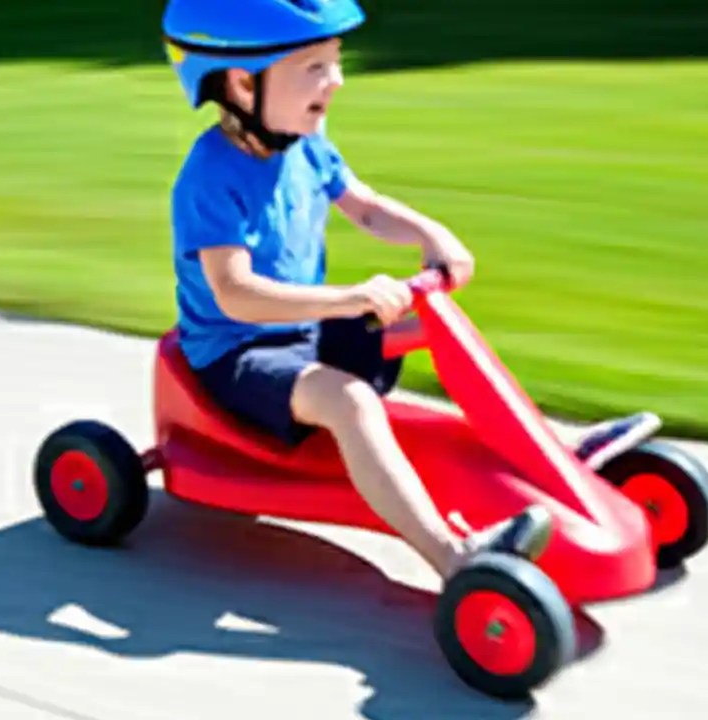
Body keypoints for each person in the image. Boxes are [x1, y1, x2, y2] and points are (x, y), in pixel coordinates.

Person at [159, 0, 559, 579]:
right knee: (350, 403)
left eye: (336, 62)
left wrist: (432, 235)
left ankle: (552, 461)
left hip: (304, 331)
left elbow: (366, 208)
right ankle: (457, 559)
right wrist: (352, 298)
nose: (337, 81)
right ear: (244, 83)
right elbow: (235, 294)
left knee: (437, 323)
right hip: (238, 355)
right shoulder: (209, 178)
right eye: (314, 67)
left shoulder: (308, 144)